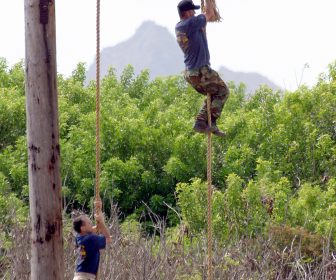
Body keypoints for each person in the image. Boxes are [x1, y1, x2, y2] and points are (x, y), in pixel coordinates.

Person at [175, 0, 230, 137]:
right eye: (192, 10)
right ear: (186, 13)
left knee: (212, 94)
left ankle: (200, 122)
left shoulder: (181, 26)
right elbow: (210, 14)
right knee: (223, 91)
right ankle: (212, 122)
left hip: (190, 74)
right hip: (201, 71)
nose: (194, 12)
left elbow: (206, 18)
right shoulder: (191, 23)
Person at [73, 200, 111, 280]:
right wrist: (100, 222)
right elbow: (108, 238)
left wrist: (99, 209)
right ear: (82, 228)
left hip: (80, 276)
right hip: (85, 277)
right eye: (89, 223)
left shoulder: (79, 237)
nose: (91, 224)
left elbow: (97, 228)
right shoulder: (90, 239)